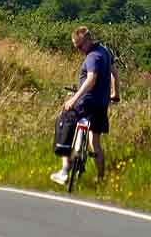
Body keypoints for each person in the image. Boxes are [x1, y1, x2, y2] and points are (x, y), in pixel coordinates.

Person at [51, 26, 119, 185]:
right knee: (94, 142)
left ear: (88, 40)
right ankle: (101, 178)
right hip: (101, 104)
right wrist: (115, 93)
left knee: (65, 121)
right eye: (76, 47)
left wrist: (73, 99)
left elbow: (91, 80)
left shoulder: (92, 57)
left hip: (87, 102)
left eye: (80, 46)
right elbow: (114, 72)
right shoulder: (105, 52)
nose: (79, 50)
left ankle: (65, 169)